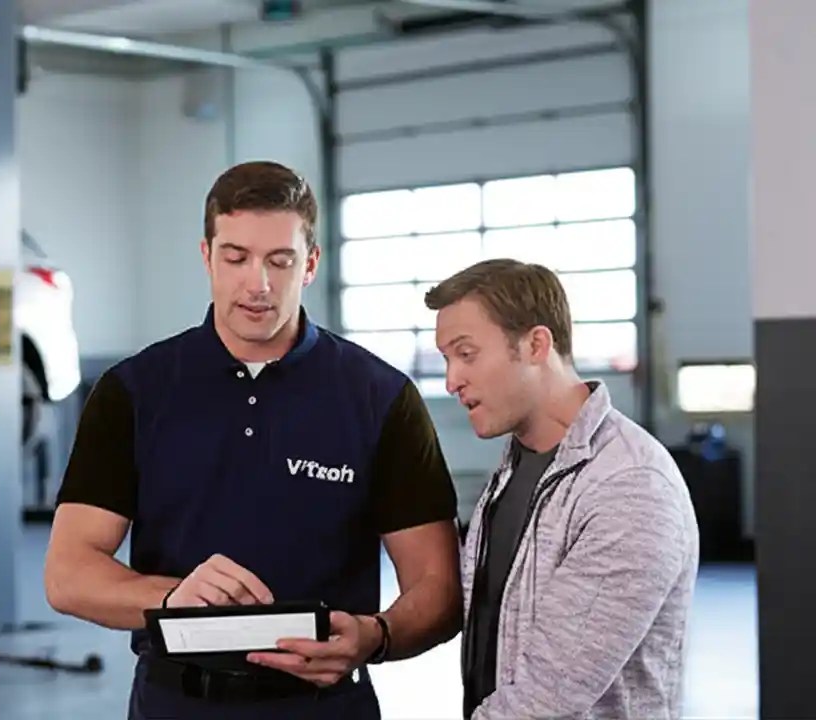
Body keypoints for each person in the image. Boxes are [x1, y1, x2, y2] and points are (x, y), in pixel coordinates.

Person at [43, 160, 463, 719]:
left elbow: (437, 589)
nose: (257, 284)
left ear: (310, 263)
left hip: (326, 708)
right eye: (236, 257)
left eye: (280, 261)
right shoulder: (134, 392)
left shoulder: (380, 397)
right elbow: (68, 573)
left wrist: (374, 635)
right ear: (206, 256)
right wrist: (171, 599)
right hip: (175, 705)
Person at [424, 258, 700, 720]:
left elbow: (549, 695)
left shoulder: (628, 485)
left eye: (466, 354)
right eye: (446, 359)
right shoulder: (515, 468)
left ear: (536, 344)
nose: (452, 380)